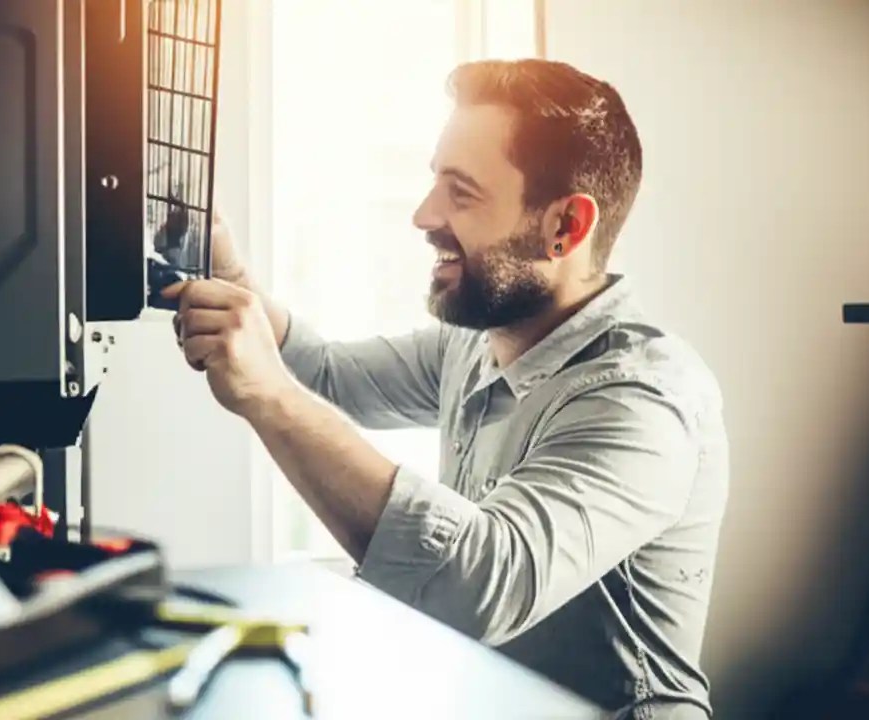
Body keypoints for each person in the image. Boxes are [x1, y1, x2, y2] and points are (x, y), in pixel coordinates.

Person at [163, 59, 728, 719]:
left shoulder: (642, 400)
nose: (423, 215)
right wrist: (232, 276)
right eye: (435, 181)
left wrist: (271, 399)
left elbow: (480, 585)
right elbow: (327, 373)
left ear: (565, 228)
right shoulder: (480, 341)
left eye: (461, 193)